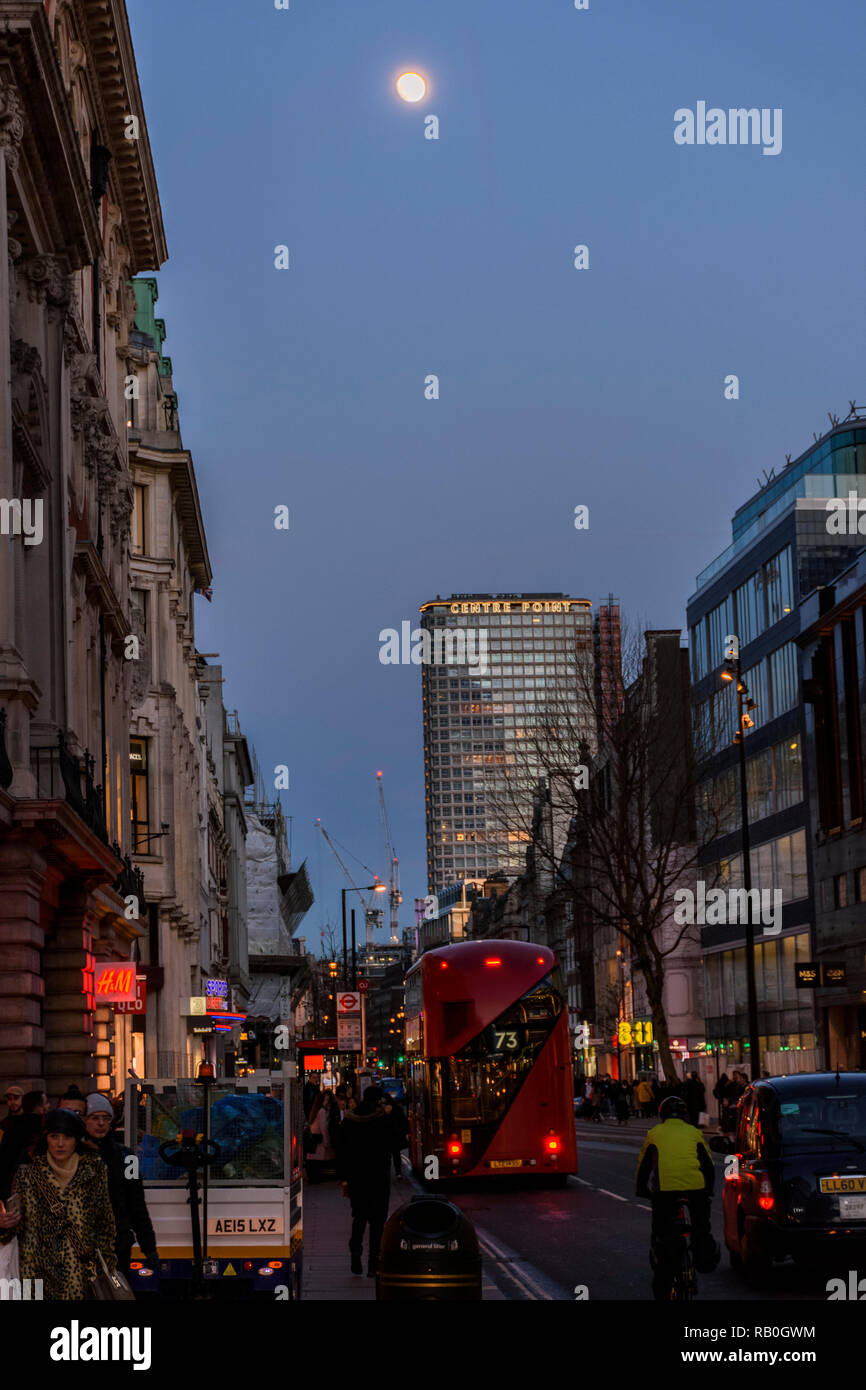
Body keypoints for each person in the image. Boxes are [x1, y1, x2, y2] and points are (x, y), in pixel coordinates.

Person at [0, 1108, 117, 1300]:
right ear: (46, 1139)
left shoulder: (93, 1172)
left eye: (67, 1137)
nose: (60, 1144)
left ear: (76, 1140)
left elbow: (105, 1224)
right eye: (54, 1136)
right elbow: (15, 1229)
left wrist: (107, 1266)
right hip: (35, 1278)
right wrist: (4, 1224)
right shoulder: (28, 1176)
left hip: (80, 1275)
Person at [635, 1095, 718, 1300]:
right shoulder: (694, 1132)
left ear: (661, 1115)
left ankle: (662, 1258)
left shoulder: (654, 1133)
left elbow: (643, 1167)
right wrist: (708, 1189)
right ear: (685, 1115)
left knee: (662, 1232)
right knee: (701, 1225)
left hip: (665, 1191)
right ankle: (703, 1248)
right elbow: (708, 1165)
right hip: (696, 1188)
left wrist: (642, 1190)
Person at [83, 1093, 158, 1278]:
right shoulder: (75, 1156)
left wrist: (148, 1247)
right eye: (94, 1118)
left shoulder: (128, 1157)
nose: (101, 1123)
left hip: (118, 1245)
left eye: (106, 1118)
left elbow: (137, 1204)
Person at [335, 1084, 392, 1277]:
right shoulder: (383, 1119)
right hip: (379, 1178)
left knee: (359, 1218)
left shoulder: (349, 1121)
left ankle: (355, 1253)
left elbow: (341, 1151)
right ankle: (373, 1264)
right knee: (377, 1223)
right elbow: (398, 1141)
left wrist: (343, 1178)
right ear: (378, 1100)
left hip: (357, 1177)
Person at [305, 1091, 333, 1184]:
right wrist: (326, 1140)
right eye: (325, 1100)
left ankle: (312, 1177)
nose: (326, 1102)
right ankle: (316, 1178)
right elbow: (323, 1127)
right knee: (318, 1159)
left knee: (312, 1159)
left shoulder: (314, 1110)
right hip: (319, 1137)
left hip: (313, 1136)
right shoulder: (322, 1111)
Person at [382, 1092, 409, 1177]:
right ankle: (397, 1172)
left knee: (392, 1155)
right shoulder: (396, 1108)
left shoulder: (394, 1109)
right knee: (394, 1155)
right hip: (393, 1136)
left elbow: (403, 1122)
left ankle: (396, 1172)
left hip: (391, 1136)